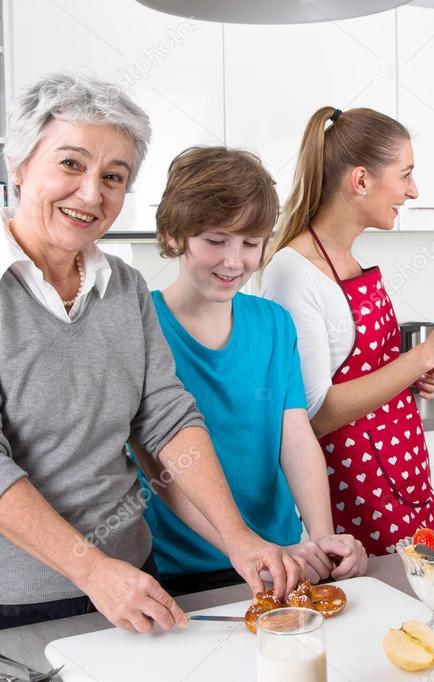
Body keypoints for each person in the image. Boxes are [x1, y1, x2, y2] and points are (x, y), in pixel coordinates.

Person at [0, 73, 300, 643]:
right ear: (19, 166)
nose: (91, 194)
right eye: (70, 164)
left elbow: (167, 417)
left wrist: (237, 536)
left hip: (129, 580)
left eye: (113, 177)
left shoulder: (125, 287)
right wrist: (90, 569)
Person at [131, 146, 367, 591]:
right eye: (215, 241)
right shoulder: (142, 323)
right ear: (174, 235)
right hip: (183, 568)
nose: (233, 261)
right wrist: (245, 546)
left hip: (282, 556)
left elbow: (295, 437)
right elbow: (158, 468)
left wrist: (322, 537)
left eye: (250, 243)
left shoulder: (273, 322)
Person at [260, 106, 434, 556]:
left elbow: (372, 370)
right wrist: (423, 355)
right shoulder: (292, 272)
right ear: (361, 180)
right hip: (354, 489)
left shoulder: (348, 259)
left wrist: (415, 373)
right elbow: (313, 414)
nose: (414, 191)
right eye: (405, 175)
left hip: (402, 478)